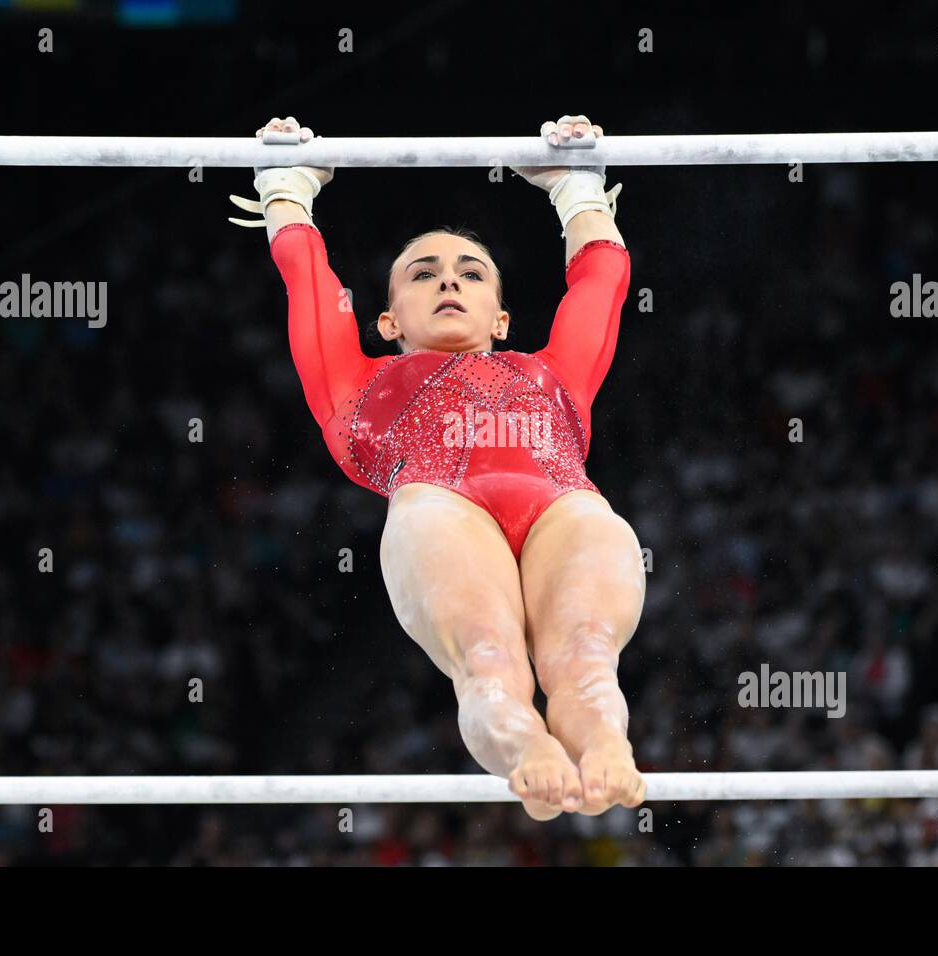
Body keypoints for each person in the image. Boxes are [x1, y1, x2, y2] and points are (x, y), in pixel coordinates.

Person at [231, 114, 645, 819]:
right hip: (441, 507)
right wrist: (288, 187)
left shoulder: (555, 372)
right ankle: (525, 749)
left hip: (564, 506)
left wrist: (576, 190)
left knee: (584, 655)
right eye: (423, 274)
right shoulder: (354, 384)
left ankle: (606, 743)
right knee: (488, 658)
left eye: (470, 272)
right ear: (387, 322)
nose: (448, 282)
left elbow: (601, 282)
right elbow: (306, 277)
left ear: (502, 316)